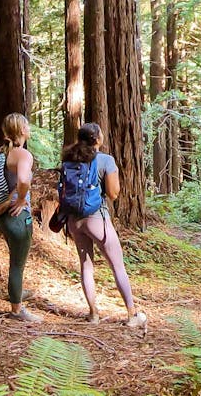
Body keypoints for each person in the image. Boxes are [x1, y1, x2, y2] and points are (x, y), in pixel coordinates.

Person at [61, 123, 146, 328]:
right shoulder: (105, 160)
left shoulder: (69, 158)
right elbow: (113, 193)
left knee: (86, 265)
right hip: (97, 218)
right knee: (117, 265)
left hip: (73, 220)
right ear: (97, 139)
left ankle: (93, 313)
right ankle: (132, 314)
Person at [0, 112, 41, 322]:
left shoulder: (0, 153)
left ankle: (17, 291)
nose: (29, 129)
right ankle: (17, 310)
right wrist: (21, 199)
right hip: (17, 216)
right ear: (22, 130)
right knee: (17, 264)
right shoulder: (23, 155)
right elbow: (24, 180)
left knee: (15, 260)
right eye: (27, 126)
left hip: (1, 216)